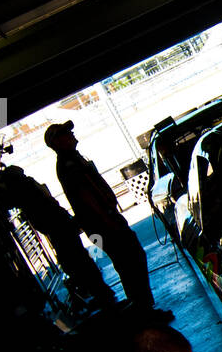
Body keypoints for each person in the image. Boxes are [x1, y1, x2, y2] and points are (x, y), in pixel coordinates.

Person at [45, 120, 165, 316]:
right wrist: (108, 220)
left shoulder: (72, 158)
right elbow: (86, 196)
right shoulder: (68, 164)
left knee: (131, 262)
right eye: (66, 133)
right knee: (130, 262)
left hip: (103, 223)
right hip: (104, 224)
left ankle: (144, 309)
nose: (72, 134)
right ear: (57, 143)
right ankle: (144, 312)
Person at [0, 164, 116, 310]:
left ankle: (103, 296)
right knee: (79, 261)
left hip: (58, 228)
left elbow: (5, 202)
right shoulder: (27, 183)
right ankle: (102, 294)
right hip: (60, 225)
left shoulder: (21, 187)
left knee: (76, 263)